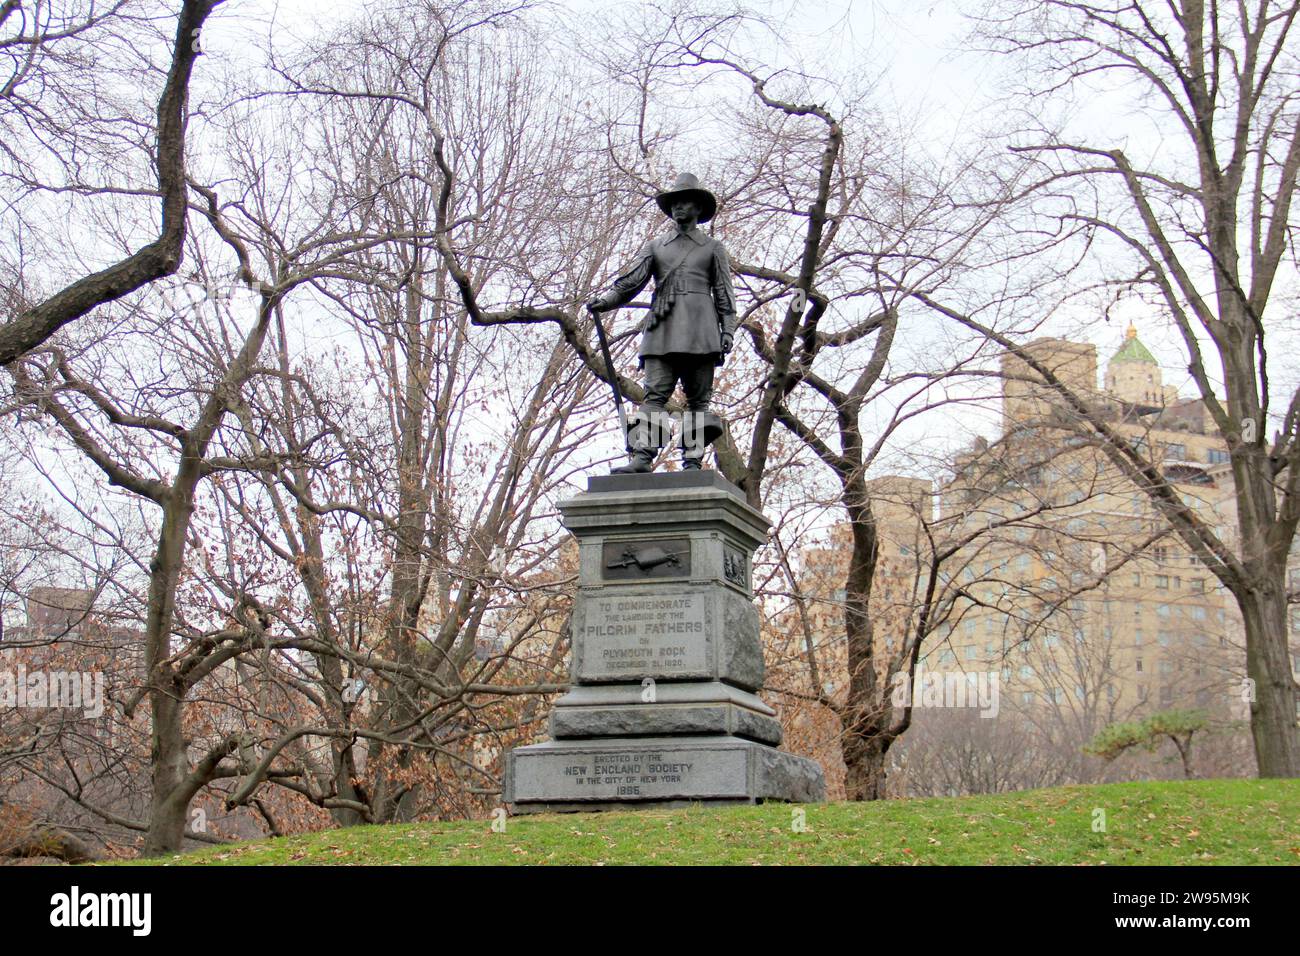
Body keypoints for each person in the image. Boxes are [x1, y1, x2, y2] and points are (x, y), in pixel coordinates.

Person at [587, 173, 737, 473]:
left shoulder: (713, 248)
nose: (679, 208)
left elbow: (723, 292)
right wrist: (606, 301)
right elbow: (632, 281)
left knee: (698, 401)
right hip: (663, 327)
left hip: (701, 329)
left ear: (697, 208)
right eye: (674, 203)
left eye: (685, 202)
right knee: (654, 393)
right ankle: (642, 456)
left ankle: (692, 462)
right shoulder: (656, 246)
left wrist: (728, 329)